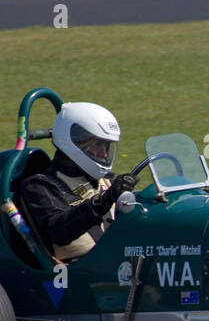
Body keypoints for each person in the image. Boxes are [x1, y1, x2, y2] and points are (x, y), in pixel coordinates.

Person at [18, 101, 137, 262]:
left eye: (107, 146)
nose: (104, 154)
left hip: (116, 263)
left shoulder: (106, 182)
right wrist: (103, 200)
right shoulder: (39, 186)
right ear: (76, 143)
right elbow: (59, 231)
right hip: (77, 275)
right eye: (98, 145)